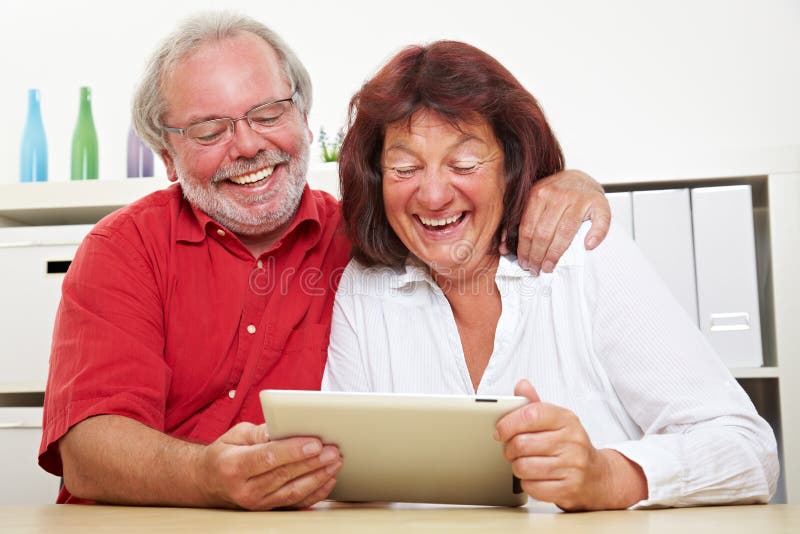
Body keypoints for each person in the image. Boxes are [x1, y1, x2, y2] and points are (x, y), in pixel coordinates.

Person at [38, 13, 612, 510]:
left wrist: (557, 183)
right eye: (210, 129)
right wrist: (207, 478)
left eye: (267, 114)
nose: (246, 146)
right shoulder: (123, 250)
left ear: (305, 121)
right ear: (167, 157)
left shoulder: (374, 238)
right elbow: (87, 453)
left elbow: (459, 206)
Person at [322, 40, 779, 511]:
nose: (433, 194)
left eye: (464, 163)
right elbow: (350, 486)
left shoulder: (582, 257)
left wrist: (611, 476)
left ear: (512, 164)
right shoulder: (365, 288)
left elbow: (749, 449)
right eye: (404, 167)